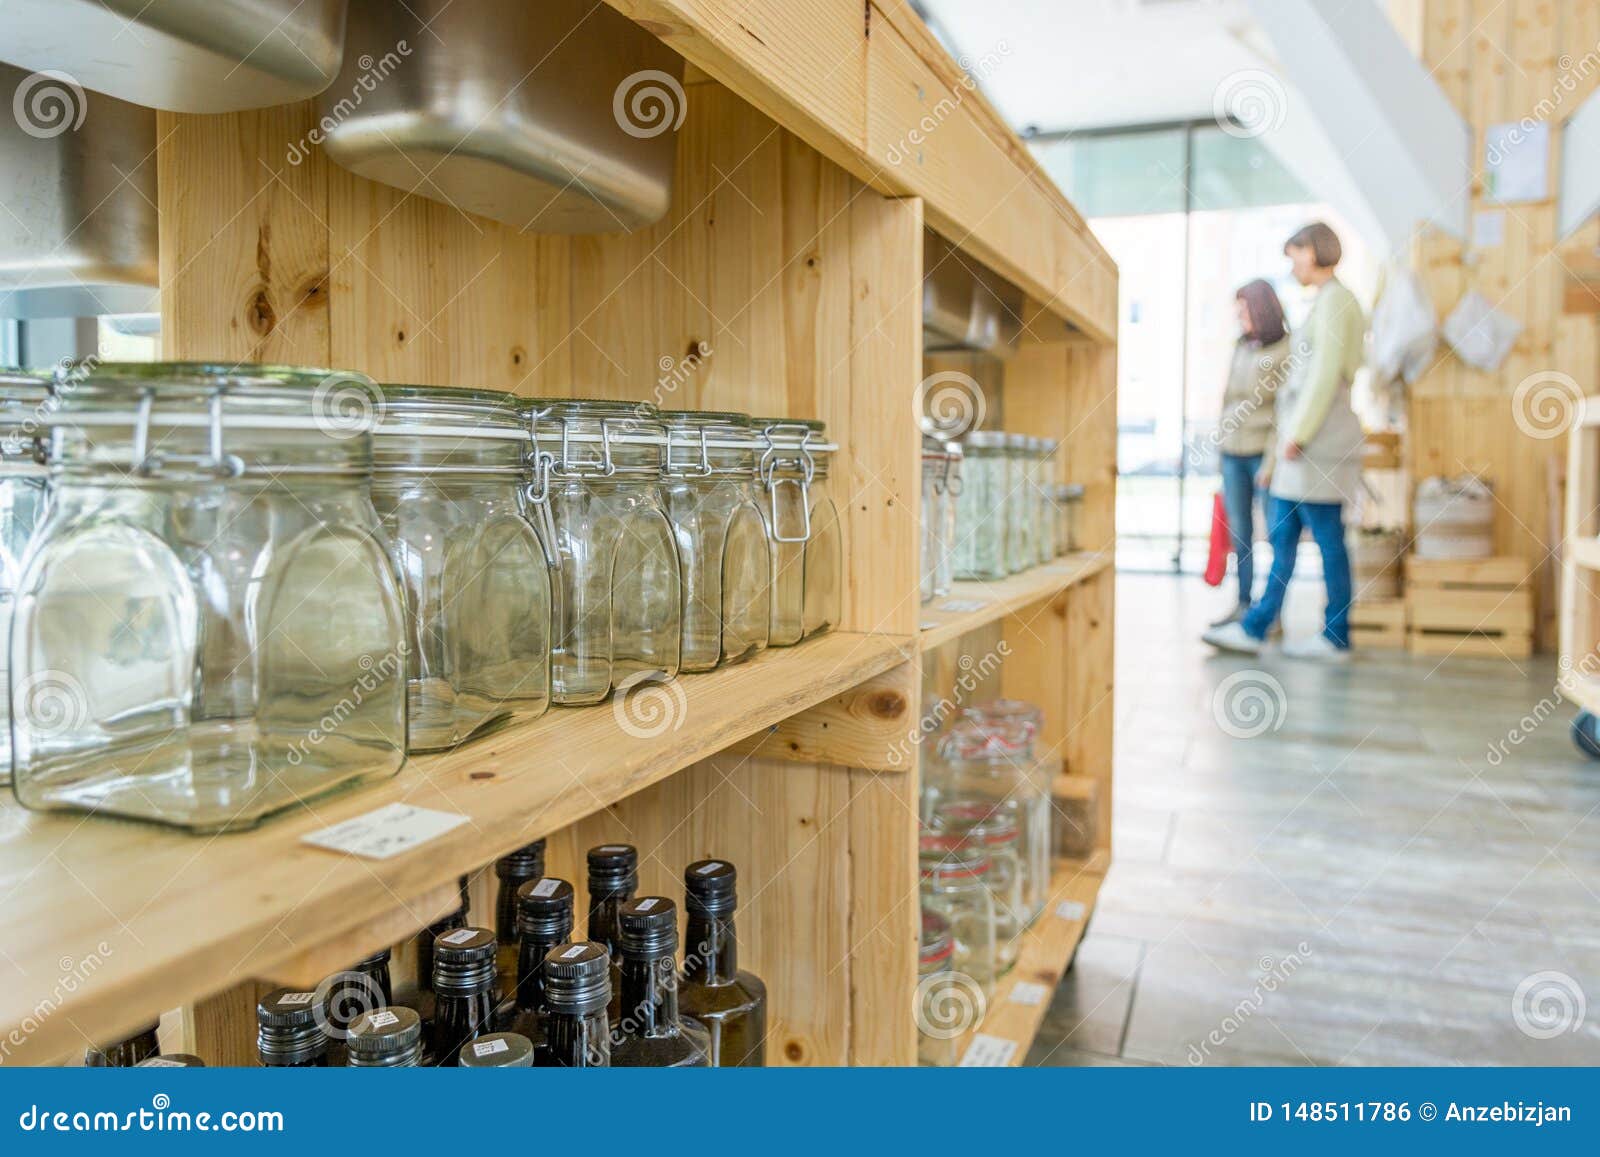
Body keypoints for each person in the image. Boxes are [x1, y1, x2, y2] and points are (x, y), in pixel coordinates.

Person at [1204, 222, 1365, 661]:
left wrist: (1298, 435)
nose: (1292, 263)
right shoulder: (1329, 302)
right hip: (1310, 445)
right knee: (1287, 536)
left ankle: (1335, 636)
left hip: (1317, 443)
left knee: (1327, 538)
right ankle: (1255, 626)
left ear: (1312, 251)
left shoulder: (1336, 302)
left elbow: (1324, 377)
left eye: (1294, 252)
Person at [1208, 279, 1290, 627]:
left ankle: (1271, 613)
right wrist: (1220, 447)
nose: (1240, 316)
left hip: (1262, 454)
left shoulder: (1286, 349)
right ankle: (1242, 605)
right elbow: (1229, 399)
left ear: (1261, 308)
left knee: (1275, 534)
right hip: (1232, 454)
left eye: (1244, 309)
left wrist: (1271, 462)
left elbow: (1284, 412)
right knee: (1240, 534)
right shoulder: (1241, 346)